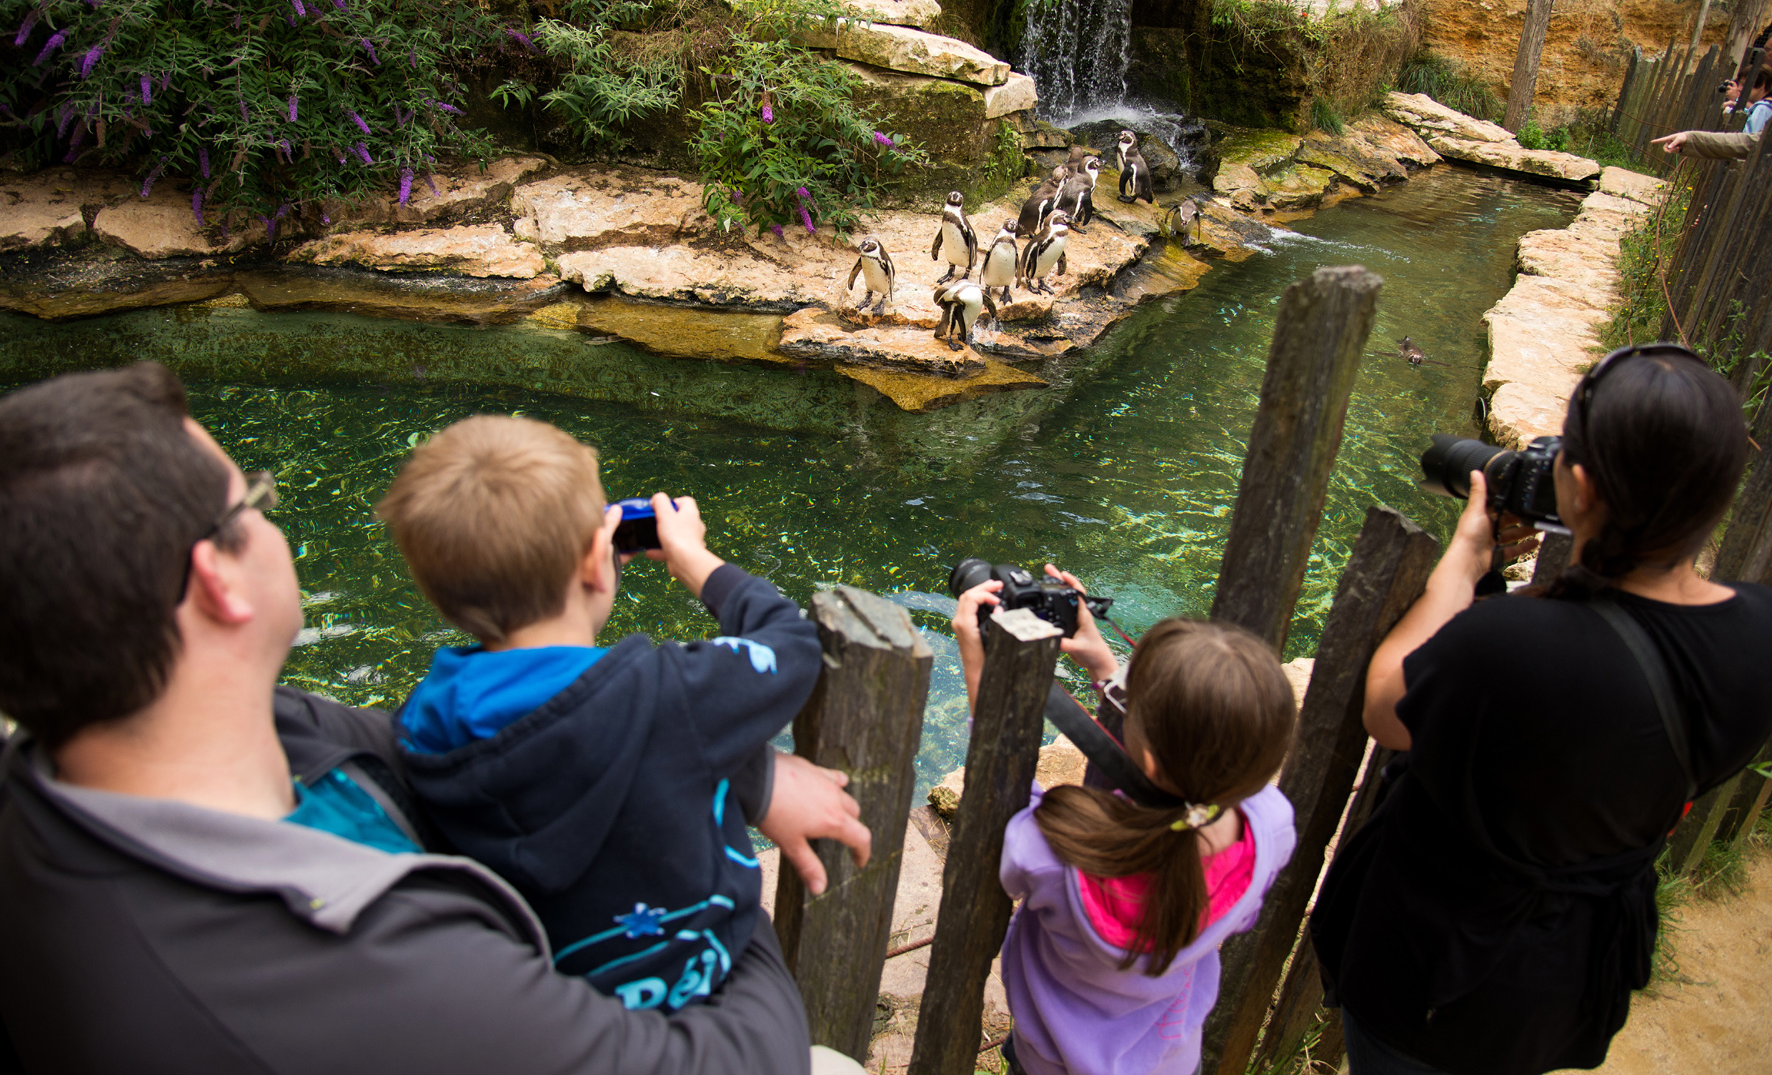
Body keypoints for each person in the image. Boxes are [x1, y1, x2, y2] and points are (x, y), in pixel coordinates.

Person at [0, 362, 871, 1074]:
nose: (269, 516)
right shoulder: (378, 983)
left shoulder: (196, 744)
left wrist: (739, 768)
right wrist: (710, 846)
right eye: (252, 501)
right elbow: (745, 1059)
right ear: (217, 582)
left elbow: (538, 737)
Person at [1310, 343, 1772, 1075]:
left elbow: (1388, 708)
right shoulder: (1758, 635)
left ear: (1580, 489)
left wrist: (1462, 564)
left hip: (1440, 976)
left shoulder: (1510, 646)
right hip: (1572, 971)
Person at [376, 415, 820, 1012]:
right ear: (596, 558)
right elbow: (791, 645)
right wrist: (695, 560)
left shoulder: (423, 722)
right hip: (699, 995)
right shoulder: (665, 692)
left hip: (560, 1014)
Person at [951, 569, 1298, 1075]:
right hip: (1170, 1061)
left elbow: (999, 803)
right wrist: (1101, 661)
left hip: (1052, 1061)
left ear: (1150, 759)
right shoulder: (1271, 827)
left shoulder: (1056, 855)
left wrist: (978, 669)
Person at [1650, 66, 1772, 158]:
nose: (1739, 88)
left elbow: (1748, 140)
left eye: (1745, 85)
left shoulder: (1763, 109)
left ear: (1763, 85)